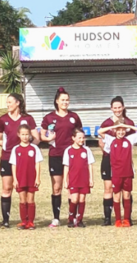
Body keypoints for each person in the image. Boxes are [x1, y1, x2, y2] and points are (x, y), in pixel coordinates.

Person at [0, 93, 39, 229]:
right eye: (7, 102)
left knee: (26, 190)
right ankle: (5, 220)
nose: (8, 105)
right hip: (7, 158)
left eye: (10, 102)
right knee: (7, 188)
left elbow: (36, 138)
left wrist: (26, 149)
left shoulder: (28, 119)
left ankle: (28, 220)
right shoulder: (2, 119)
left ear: (18, 103)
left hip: (25, 161)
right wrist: (9, 147)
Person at [41, 87, 83, 228]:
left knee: (72, 187)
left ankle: (73, 218)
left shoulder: (74, 117)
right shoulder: (49, 118)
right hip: (56, 155)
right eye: (62, 100)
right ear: (57, 101)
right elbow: (42, 135)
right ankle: (56, 218)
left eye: (67, 100)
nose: (65, 102)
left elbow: (80, 134)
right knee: (57, 187)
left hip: (72, 156)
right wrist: (48, 139)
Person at [97, 96, 137, 226]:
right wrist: (111, 151)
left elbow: (133, 139)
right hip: (109, 158)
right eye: (114, 108)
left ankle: (127, 217)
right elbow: (101, 140)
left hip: (124, 162)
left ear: (123, 107)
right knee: (108, 188)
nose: (117, 110)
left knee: (126, 190)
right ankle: (108, 217)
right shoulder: (106, 123)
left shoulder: (129, 123)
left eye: (119, 107)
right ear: (111, 109)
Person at [9, 124, 43, 229]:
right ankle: (24, 221)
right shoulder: (15, 149)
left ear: (30, 135)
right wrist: (14, 179)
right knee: (22, 199)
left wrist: (37, 177)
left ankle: (31, 222)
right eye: (23, 134)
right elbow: (13, 165)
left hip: (31, 177)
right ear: (18, 135)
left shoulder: (34, 148)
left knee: (31, 199)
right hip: (20, 178)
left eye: (27, 134)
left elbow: (37, 163)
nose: (25, 137)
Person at [104, 123, 135, 227]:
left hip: (128, 173)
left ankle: (126, 219)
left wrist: (128, 126)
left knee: (126, 195)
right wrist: (112, 127)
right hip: (116, 173)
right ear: (115, 131)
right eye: (118, 130)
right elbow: (100, 132)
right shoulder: (110, 140)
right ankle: (118, 220)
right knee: (116, 196)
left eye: (123, 130)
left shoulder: (129, 140)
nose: (121, 132)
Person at [62, 127, 94, 228]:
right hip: (73, 179)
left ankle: (79, 220)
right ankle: (71, 219)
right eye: (79, 138)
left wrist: (91, 179)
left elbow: (90, 165)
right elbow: (66, 167)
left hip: (84, 179)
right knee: (74, 199)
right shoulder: (68, 150)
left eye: (83, 138)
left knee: (82, 199)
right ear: (73, 138)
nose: (81, 140)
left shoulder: (87, 150)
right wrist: (65, 181)